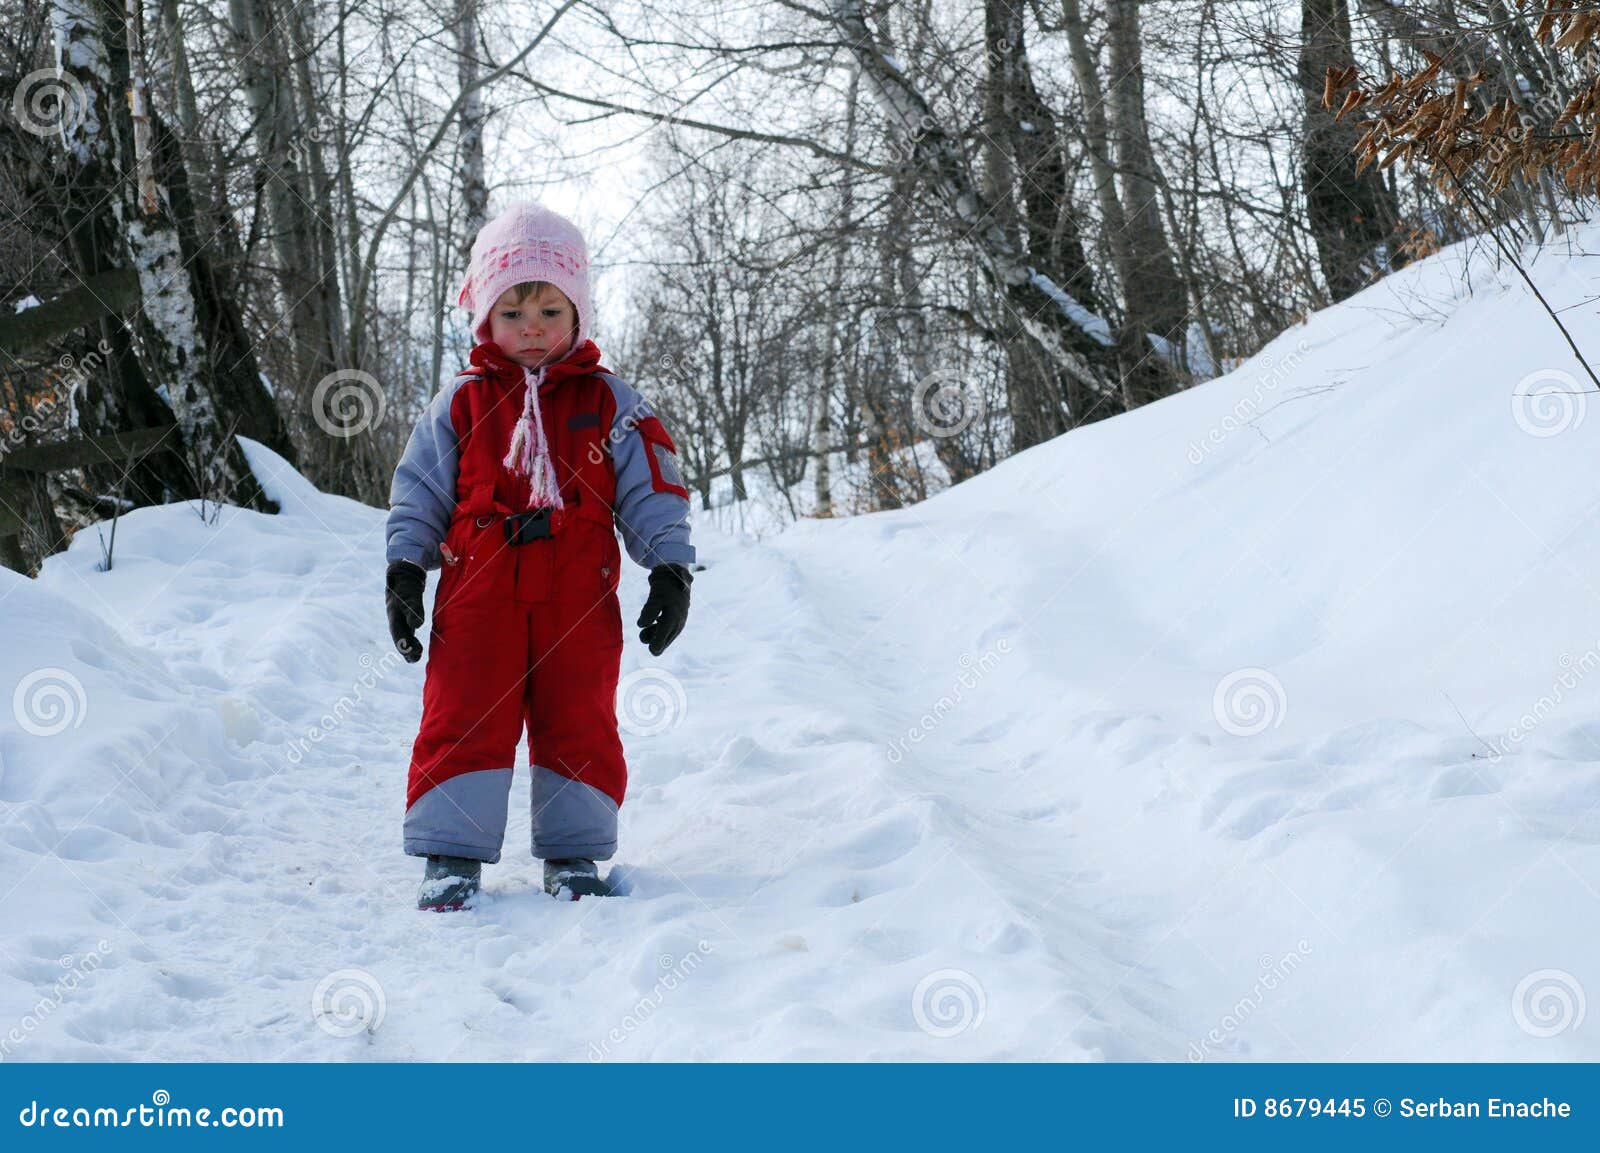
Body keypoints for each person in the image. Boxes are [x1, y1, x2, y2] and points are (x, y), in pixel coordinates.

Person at [383, 201, 695, 910]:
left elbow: (654, 488)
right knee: (464, 708)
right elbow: (420, 492)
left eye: (550, 311)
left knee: (579, 714)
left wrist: (670, 570)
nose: (531, 328)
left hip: (577, 594)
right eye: (513, 312)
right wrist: (404, 569)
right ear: (484, 317)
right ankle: (452, 853)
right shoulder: (460, 404)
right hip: (477, 593)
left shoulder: (611, 403)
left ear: (577, 312)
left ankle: (573, 852)